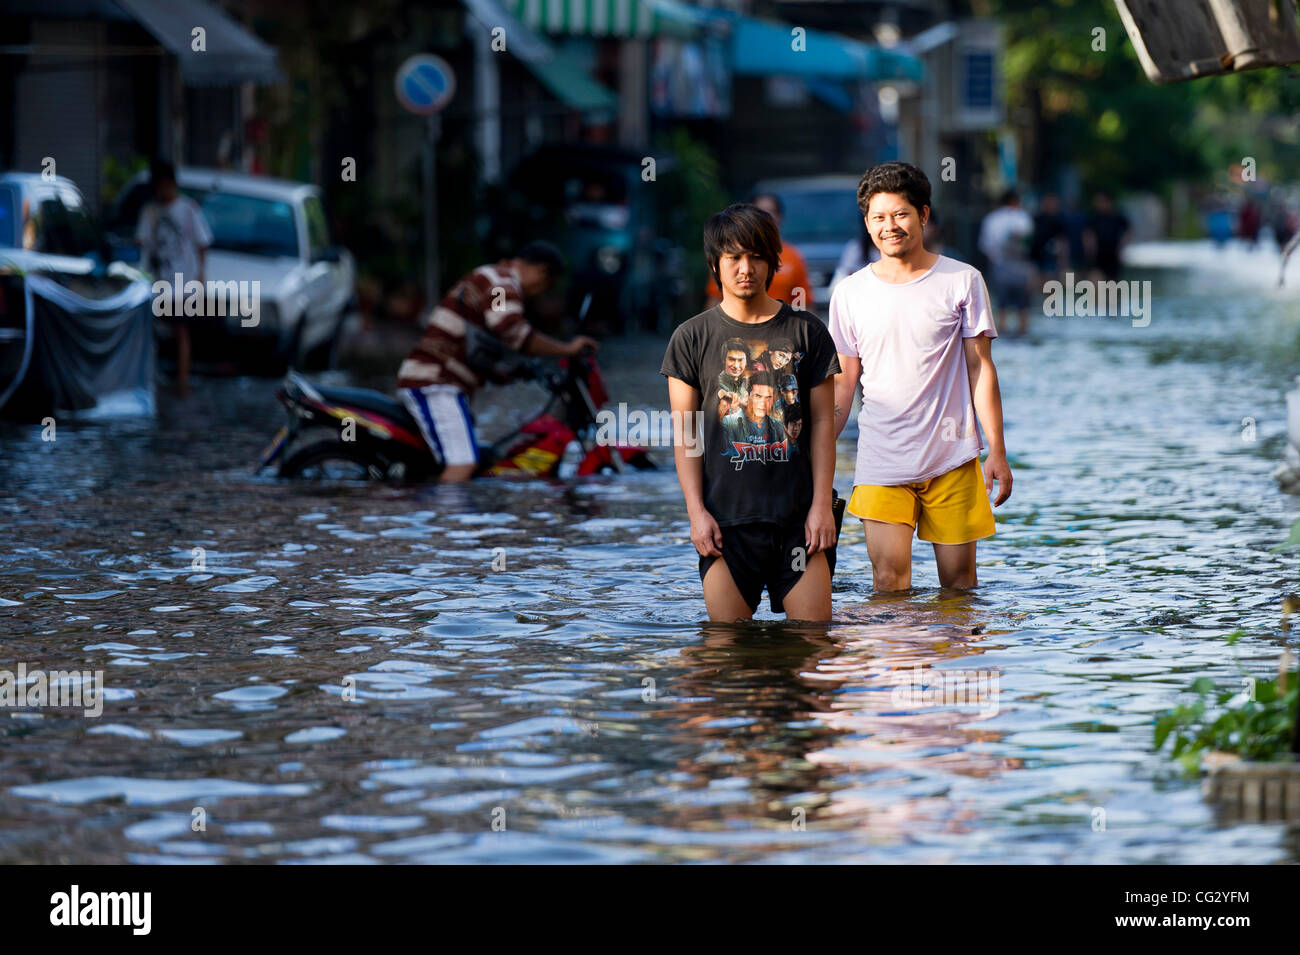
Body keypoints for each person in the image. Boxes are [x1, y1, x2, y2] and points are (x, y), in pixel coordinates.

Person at [830, 161, 1012, 593]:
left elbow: (980, 367)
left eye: (900, 215)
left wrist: (998, 452)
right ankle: (900, 660)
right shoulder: (850, 293)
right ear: (867, 223)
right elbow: (844, 380)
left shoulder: (962, 281)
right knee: (889, 582)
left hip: (952, 456)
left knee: (959, 585)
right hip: (881, 457)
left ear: (923, 216)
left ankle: (951, 659)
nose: (889, 226)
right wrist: (817, 453)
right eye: (879, 217)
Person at [662, 203, 841, 622]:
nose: (746, 268)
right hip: (725, 526)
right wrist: (696, 514)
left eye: (757, 256)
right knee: (727, 654)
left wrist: (820, 508)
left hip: (800, 523)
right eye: (734, 257)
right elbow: (686, 433)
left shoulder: (807, 331)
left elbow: (821, 425)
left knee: (813, 646)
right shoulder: (691, 338)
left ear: (774, 262)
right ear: (715, 264)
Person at [396, 240, 598, 482]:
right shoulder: (501, 283)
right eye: (547, 285)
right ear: (541, 272)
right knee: (463, 464)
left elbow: (475, 339)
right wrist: (567, 349)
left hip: (441, 381)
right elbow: (511, 331)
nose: (540, 292)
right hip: (436, 383)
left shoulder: (492, 279)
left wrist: (498, 373)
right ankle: (447, 518)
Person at [135, 159, 213, 396]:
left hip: (183, 282)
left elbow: (203, 244)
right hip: (156, 281)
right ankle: (151, 379)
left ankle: (182, 381)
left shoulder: (188, 209)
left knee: (181, 331)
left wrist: (200, 275)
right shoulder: (150, 212)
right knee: (150, 332)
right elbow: (141, 243)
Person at [705, 193, 813, 311]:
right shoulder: (730, 252)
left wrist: (803, 326)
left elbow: (803, 303)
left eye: (772, 211)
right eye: (761, 212)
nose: (746, 268)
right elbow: (715, 298)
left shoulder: (792, 256)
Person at [978, 188, 1034, 336]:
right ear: (1015, 201)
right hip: (1021, 266)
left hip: (999, 266)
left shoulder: (991, 219)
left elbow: (985, 246)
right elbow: (1029, 241)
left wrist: (996, 260)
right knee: (1023, 310)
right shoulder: (1022, 217)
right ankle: (1022, 335)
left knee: (1001, 308)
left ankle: (1001, 334)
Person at [1083, 190, 1130, 281]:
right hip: (1097, 256)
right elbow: (1087, 234)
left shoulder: (1117, 217)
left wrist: (1122, 245)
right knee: (1095, 283)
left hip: (1113, 256)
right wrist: (1089, 247)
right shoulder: (1094, 217)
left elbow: (1128, 231)